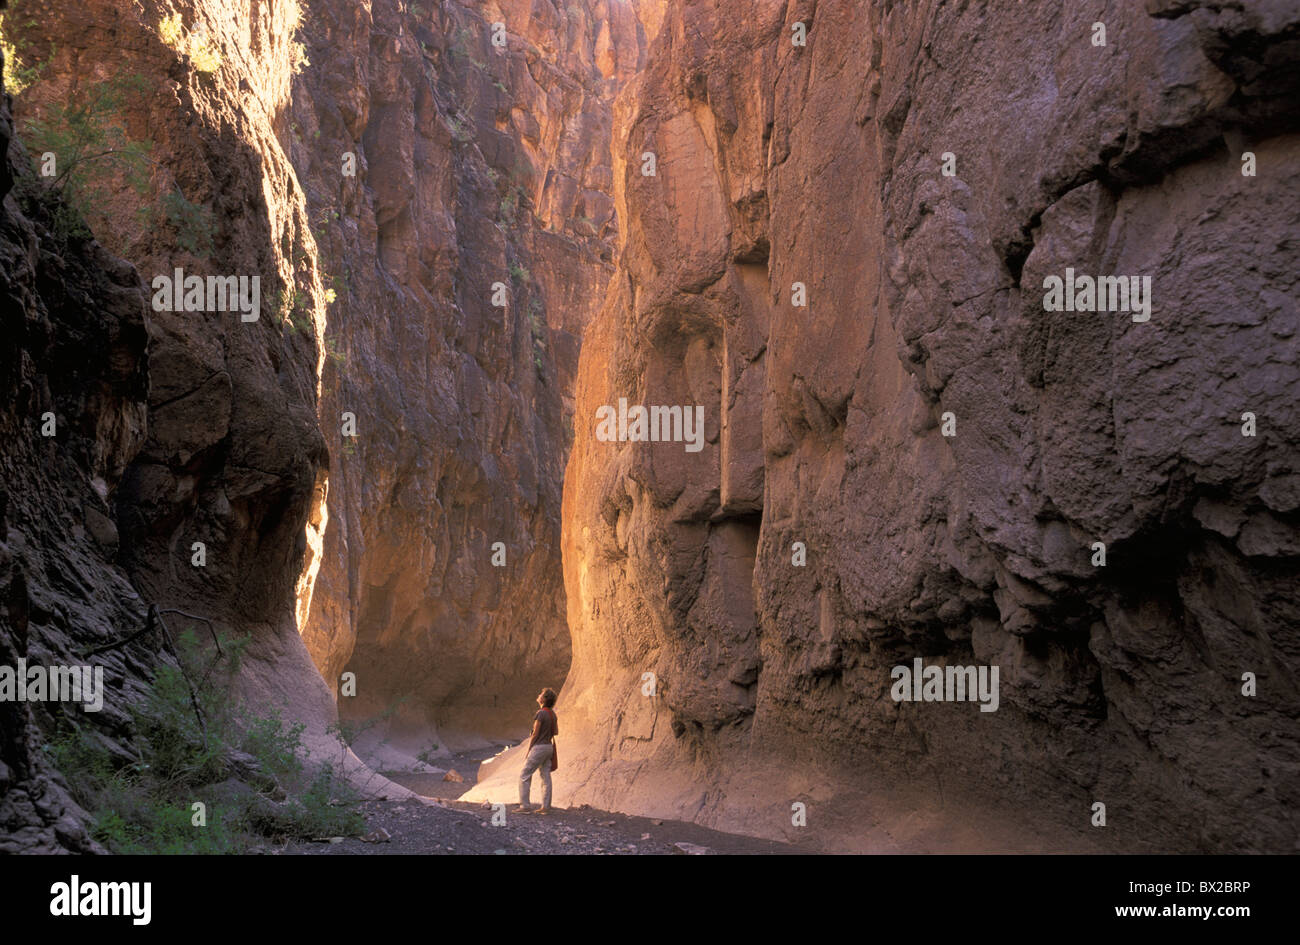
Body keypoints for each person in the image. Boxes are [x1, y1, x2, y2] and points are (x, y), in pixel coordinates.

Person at [516, 687, 558, 814]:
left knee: (524, 775)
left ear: (544, 699)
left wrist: (529, 749)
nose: (539, 695)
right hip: (549, 747)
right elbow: (556, 732)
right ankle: (545, 807)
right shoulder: (553, 714)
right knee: (545, 777)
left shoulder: (540, 713)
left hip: (539, 747)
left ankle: (525, 806)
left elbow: (535, 734)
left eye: (541, 694)